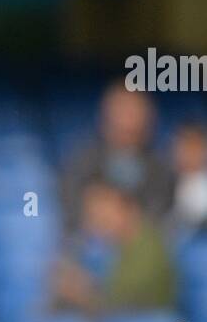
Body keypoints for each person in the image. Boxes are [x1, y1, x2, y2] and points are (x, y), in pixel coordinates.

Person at [59, 83, 174, 239]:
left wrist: (126, 219)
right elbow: (71, 208)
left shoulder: (161, 170)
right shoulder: (82, 160)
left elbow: (159, 214)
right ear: (106, 118)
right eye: (123, 112)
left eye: (135, 113)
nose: (128, 121)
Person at [50, 182, 177, 315]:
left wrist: (80, 294)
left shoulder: (148, 249)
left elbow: (119, 304)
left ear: (129, 209)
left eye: (102, 213)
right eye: (91, 215)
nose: (95, 223)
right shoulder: (113, 246)